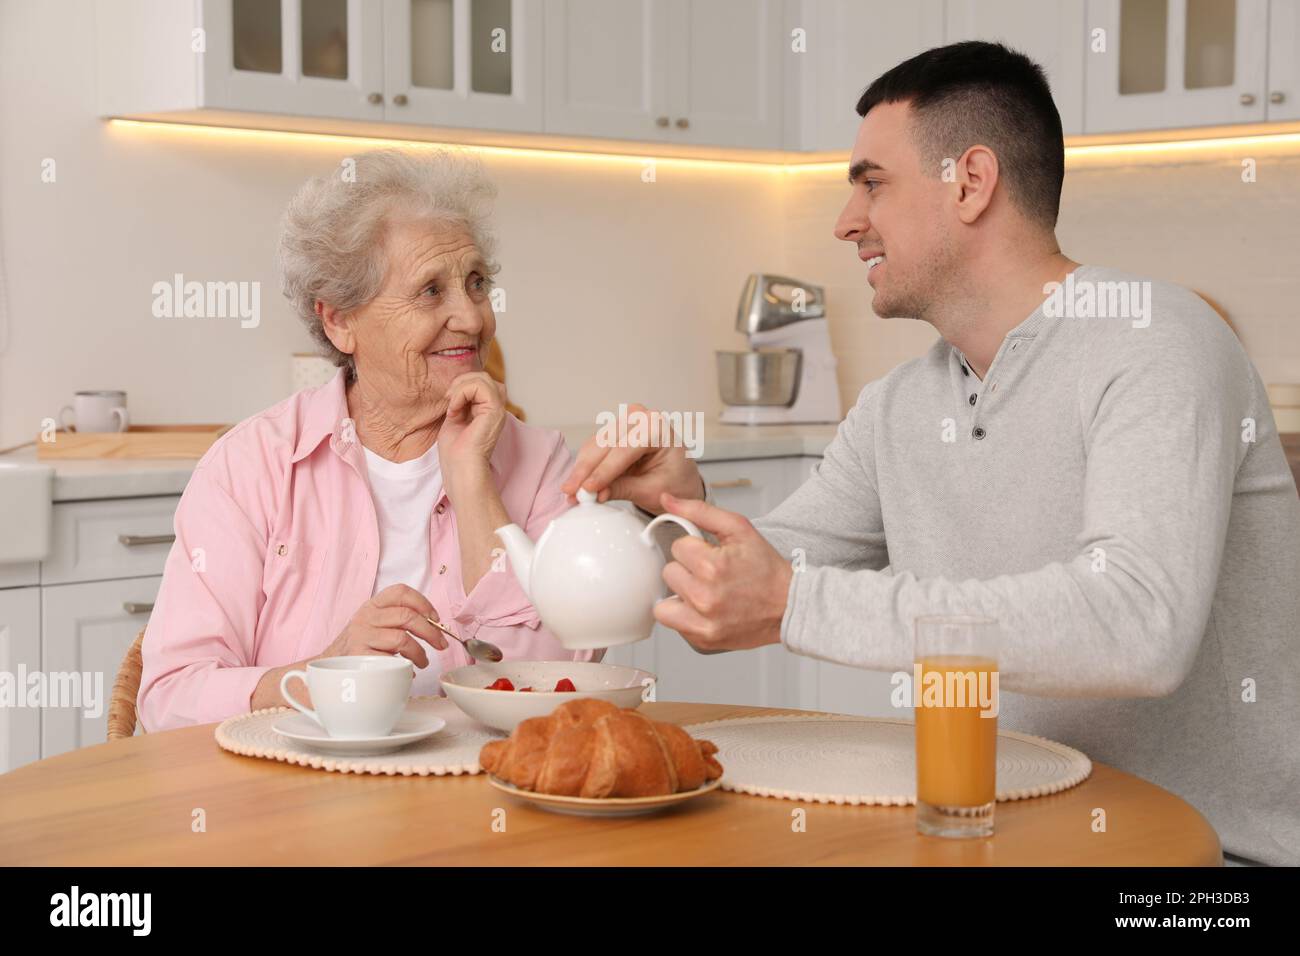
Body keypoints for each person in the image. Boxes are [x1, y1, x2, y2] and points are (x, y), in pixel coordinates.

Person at [565, 42, 1300, 866]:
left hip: (1208, 870)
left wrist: (795, 604)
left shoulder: (1157, 344)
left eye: (871, 182)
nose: (845, 220)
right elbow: (770, 574)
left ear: (970, 181)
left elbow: (1139, 626)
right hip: (1005, 839)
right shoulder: (901, 407)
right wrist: (674, 506)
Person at [138, 149, 602, 731]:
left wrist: (471, 481)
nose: (472, 317)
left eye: (476, 284)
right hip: (291, 806)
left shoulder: (540, 464)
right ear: (339, 321)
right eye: (431, 291)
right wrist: (321, 675)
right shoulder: (252, 465)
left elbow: (556, 690)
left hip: (483, 798)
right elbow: (169, 700)